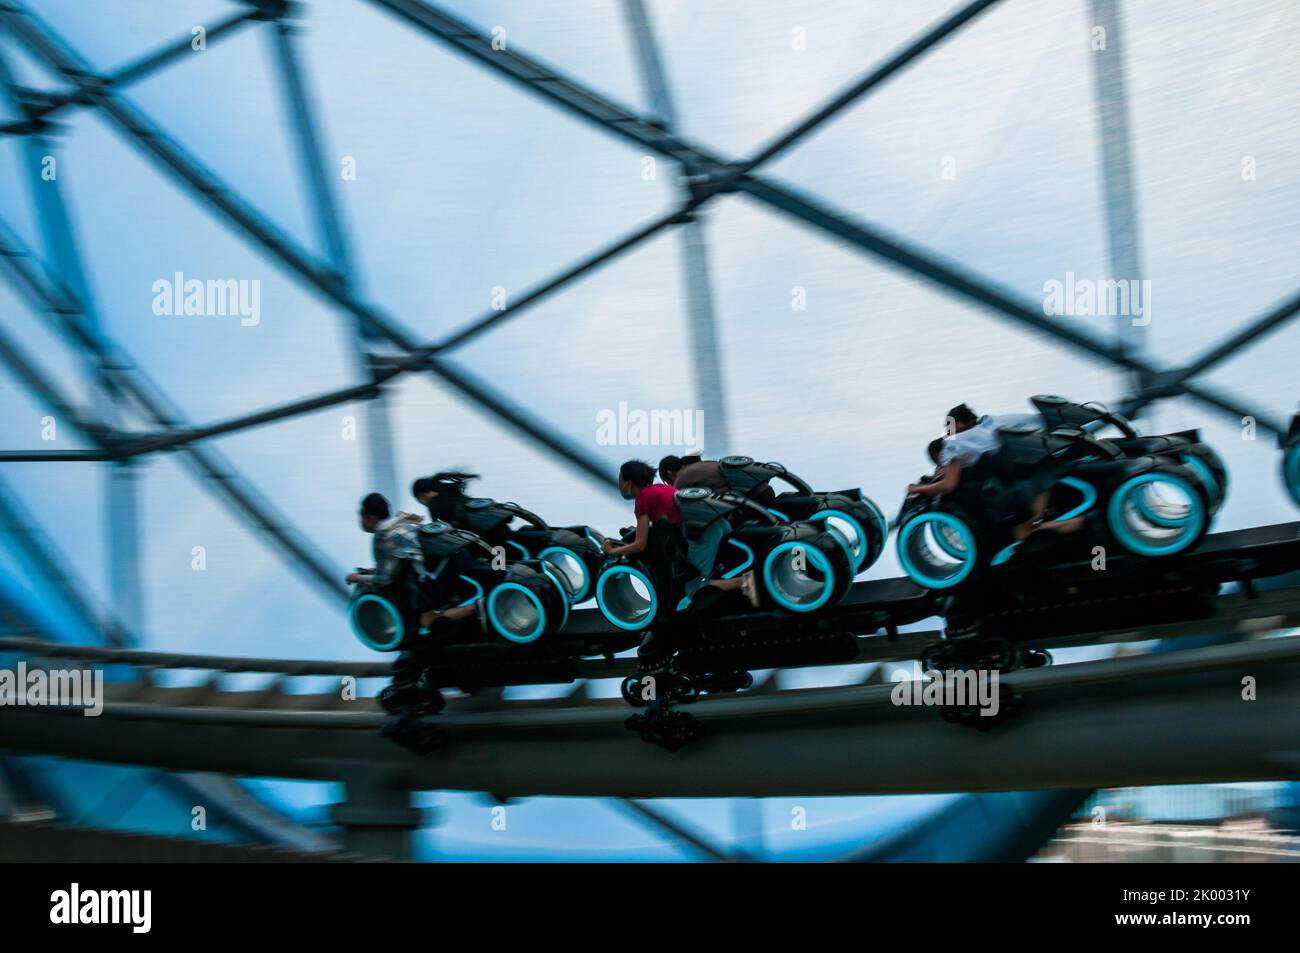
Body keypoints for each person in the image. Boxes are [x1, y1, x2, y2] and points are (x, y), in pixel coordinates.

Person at [910, 408, 1082, 541]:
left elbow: (949, 484)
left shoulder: (951, 445)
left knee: (1022, 532)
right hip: (1050, 456)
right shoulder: (988, 425)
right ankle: (1064, 523)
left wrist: (918, 489)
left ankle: (1070, 524)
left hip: (1033, 470)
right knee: (1026, 527)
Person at [603, 459, 758, 606]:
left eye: (620, 480)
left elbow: (640, 545)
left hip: (703, 533)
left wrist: (614, 551)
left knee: (694, 589)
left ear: (629, 483)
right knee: (711, 569)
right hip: (717, 523)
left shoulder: (642, 500)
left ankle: (744, 582)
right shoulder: (659, 488)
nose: (619, 485)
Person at [348, 492, 473, 627]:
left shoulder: (383, 536)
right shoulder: (403, 523)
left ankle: (476, 607)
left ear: (370, 517)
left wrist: (358, 578)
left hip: (433, 582)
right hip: (448, 566)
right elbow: (396, 564)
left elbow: (384, 579)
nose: (360, 521)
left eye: (361, 516)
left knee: (425, 620)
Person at [412, 471, 478, 527]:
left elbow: (435, 527)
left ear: (422, 495)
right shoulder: (447, 488)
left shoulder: (433, 503)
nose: (421, 501)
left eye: (418, 498)